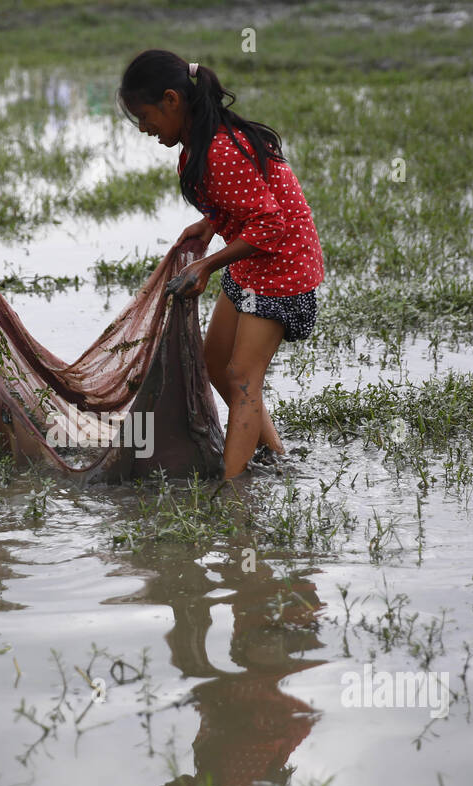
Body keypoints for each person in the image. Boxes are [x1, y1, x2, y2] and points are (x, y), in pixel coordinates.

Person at [119, 50, 324, 480]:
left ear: (172, 100)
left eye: (145, 115)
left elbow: (269, 221)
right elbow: (238, 203)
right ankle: (276, 457)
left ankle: (230, 491)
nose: (143, 128)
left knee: (242, 379)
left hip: (282, 270)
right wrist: (208, 225)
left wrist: (207, 265)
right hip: (252, 266)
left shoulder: (222, 149)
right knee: (215, 364)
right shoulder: (200, 142)